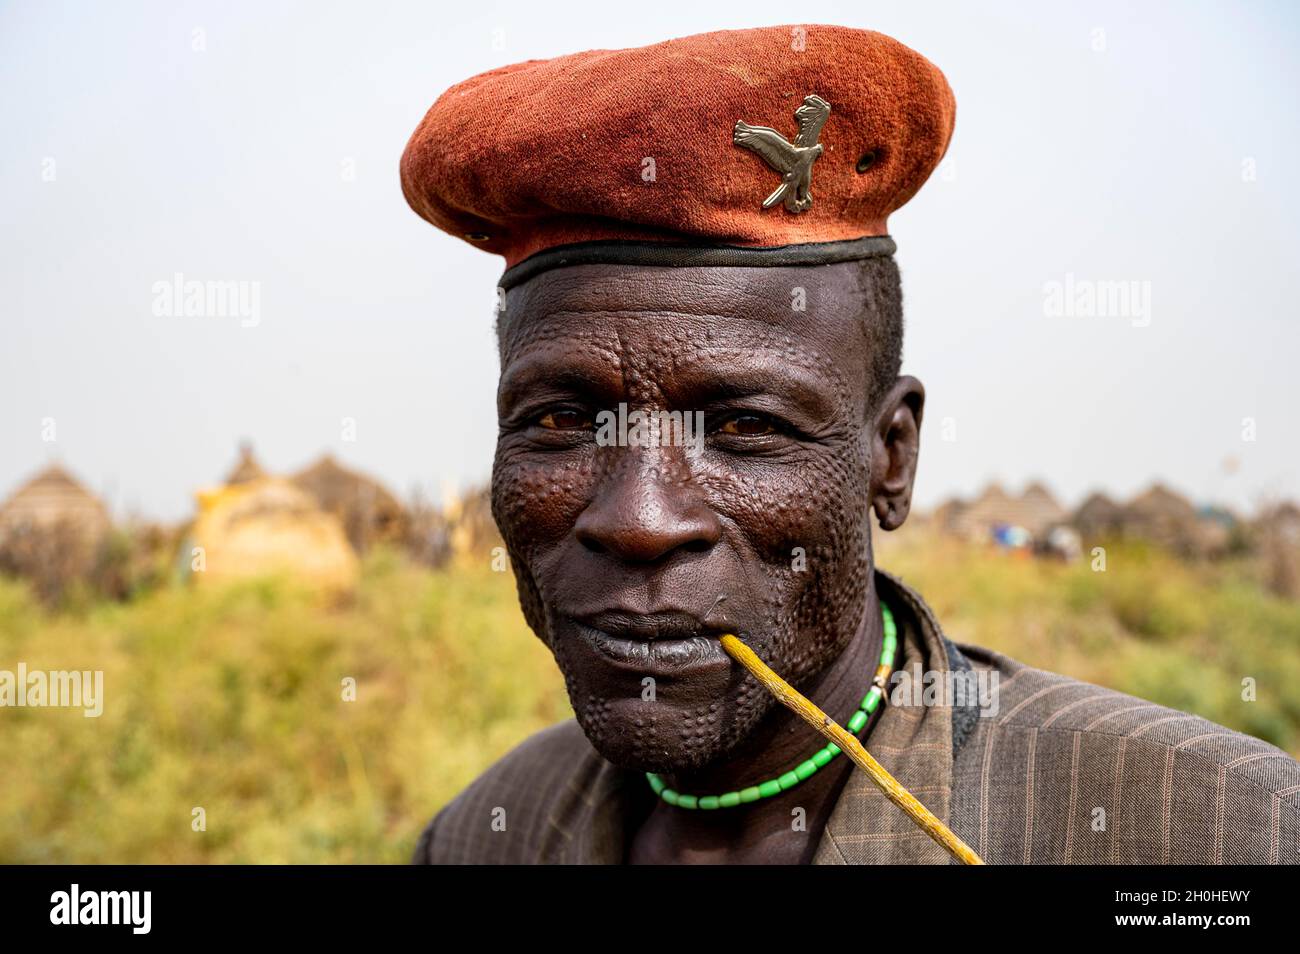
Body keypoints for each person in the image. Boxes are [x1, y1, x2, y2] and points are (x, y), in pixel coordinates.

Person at [400, 25, 1300, 864]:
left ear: (890, 456)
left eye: (744, 427)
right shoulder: (487, 833)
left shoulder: (1214, 832)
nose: (638, 522)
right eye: (563, 422)